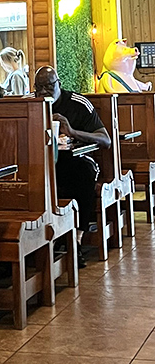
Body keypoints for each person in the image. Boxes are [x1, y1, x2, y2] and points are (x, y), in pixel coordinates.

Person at [34, 66, 111, 264]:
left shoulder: (77, 103)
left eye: (49, 86)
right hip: (45, 163)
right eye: (38, 87)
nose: (43, 92)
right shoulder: (32, 105)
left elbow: (105, 140)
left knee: (83, 172)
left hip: (77, 160)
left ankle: (76, 238)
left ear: (59, 84)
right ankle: (40, 240)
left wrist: (73, 132)